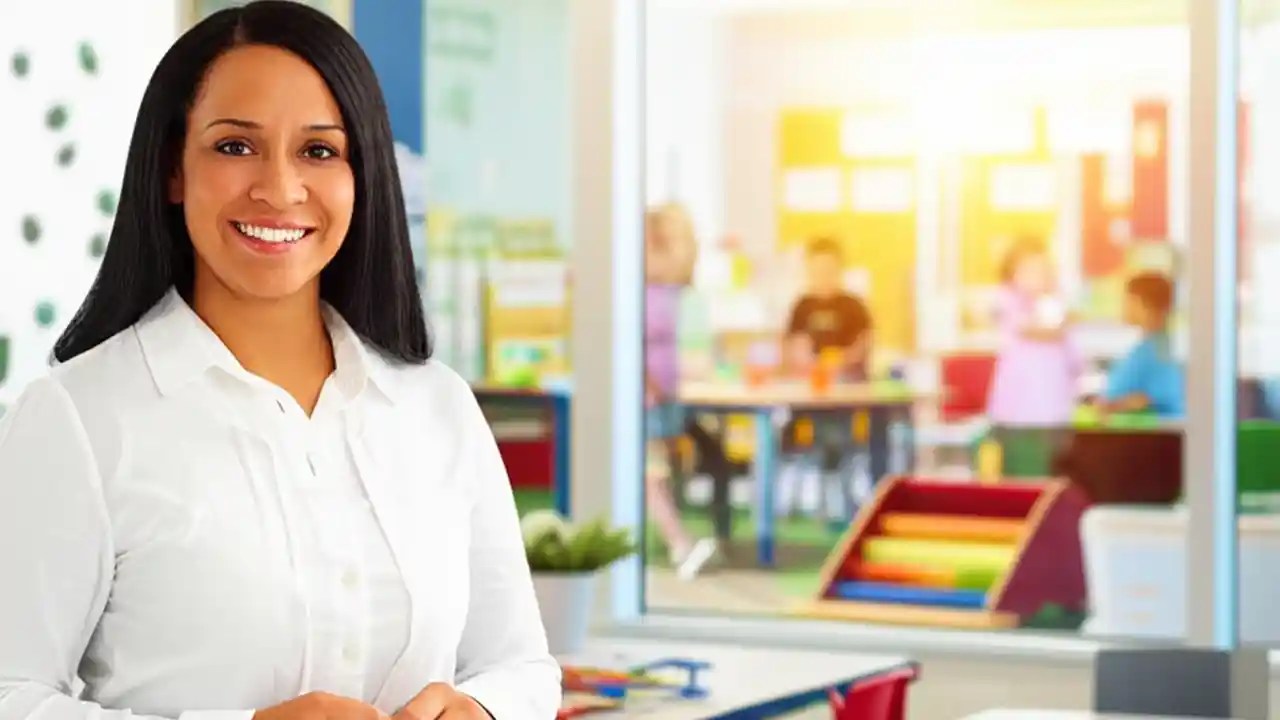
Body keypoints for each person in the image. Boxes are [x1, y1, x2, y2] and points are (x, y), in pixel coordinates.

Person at [0, 4, 559, 720]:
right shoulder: (78, 419)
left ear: (362, 178)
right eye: (235, 147)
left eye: (319, 152)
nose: (279, 188)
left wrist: (480, 710)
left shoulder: (437, 407)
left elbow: (520, 666)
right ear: (173, 169)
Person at [644, 203, 717, 580]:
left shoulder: (672, 293)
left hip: (666, 398)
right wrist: (649, 383)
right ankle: (680, 543)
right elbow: (629, 343)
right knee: (651, 474)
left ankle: (676, 539)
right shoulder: (640, 294)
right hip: (648, 398)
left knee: (661, 471)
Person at [777, 238, 873, 522]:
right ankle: (792, 502)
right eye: (817, 268)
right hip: (807, 393)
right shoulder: (802, 306)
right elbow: (790, 346)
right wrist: (801, 359)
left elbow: (866, 343)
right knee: (791, 434)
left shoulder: (853, 305)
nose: (823, 275)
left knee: (838, 437)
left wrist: (844, 359)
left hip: (845, 393)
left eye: (829, 268)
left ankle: (842, 504)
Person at [985, 238, 1080, 475]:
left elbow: (1073, 357)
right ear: (1012, 275)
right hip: (1019, 417)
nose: (1040, 277)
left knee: (1053, 478)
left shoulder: (1055, 304)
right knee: (1023, 480)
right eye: (1030, 271)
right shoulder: (1008, 302)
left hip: (1056, 415)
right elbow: (1042, 330)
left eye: (1044, 270)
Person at [1097, 272, 1184, 419]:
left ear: (1146, 304)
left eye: (1128, 300)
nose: (1123, 306)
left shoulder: (1160, 349)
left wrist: (1112, 406)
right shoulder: (1146, 347)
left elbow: (1157, 398)